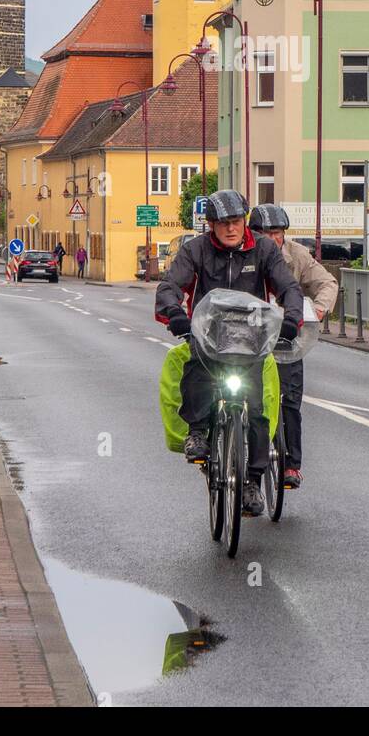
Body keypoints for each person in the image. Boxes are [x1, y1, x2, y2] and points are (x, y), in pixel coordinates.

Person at [155, 189, 303, 519]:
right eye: (222, 224)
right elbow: (170, 286)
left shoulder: (263, 249)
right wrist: (175, 313)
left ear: (244, 221)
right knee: (195, 371)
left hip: (251, 339)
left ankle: (251, 481)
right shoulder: (195, 250)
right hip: (209, 335)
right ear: (210, 225)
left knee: (258, 411)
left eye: (236, 222)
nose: (230, 229)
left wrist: (292, 318)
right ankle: (197, 433)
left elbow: (288, 287)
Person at [247, 204, 338, 490]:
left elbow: (327, 282)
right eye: (265, 233)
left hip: (286, 340)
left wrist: (319, 309)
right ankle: (235, 455)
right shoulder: (242, 254)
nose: (273, 239)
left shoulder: (296, 254)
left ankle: (291, 466)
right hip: (247, 340)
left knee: (288, 402)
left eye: (278, 233)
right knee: (243, 399)